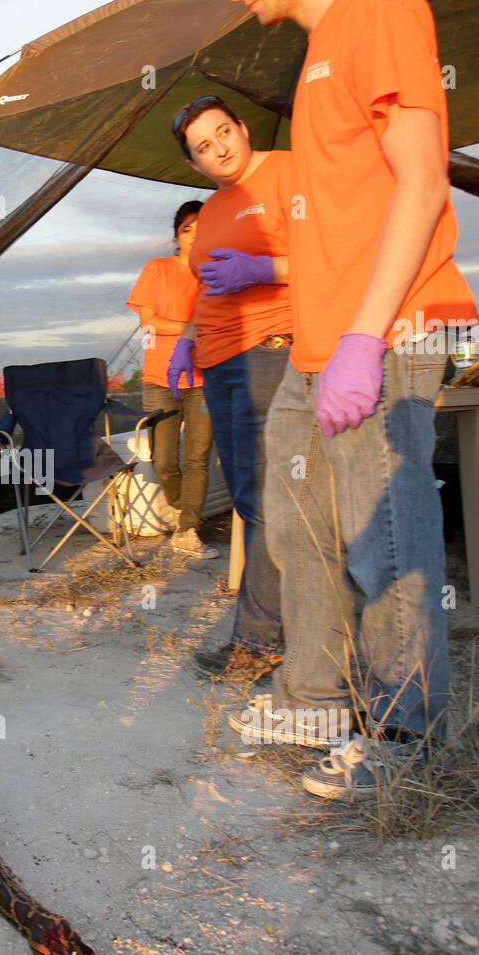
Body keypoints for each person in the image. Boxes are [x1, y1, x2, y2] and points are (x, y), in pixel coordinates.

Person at [184, 0, 479, 799]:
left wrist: (363, 337)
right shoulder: (314, 53)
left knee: (382, 529)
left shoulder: (380, 7)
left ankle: (406, 730)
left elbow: (421, 183)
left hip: (383, 333)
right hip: (315, 348)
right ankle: (313, 697)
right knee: (300, 529)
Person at [168, 95, 292, 686]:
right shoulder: (215, 208)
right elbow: (206, 285)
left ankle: (263, 642)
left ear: (242, 128)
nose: (219, 150)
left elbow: (335, 252)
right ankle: (266, 635)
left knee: (269, 500)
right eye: (203, 148)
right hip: (217, 361)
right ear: (195, 164)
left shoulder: (290, 172)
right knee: (249, 498)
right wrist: (187, 337)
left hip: (270, 350)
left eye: (223, 133)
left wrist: (263, 270)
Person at [126, 202, 218, 558]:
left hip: (205, 377)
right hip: (160, 378)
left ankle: (188, 529)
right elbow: (149, 322)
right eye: (187, 229)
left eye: (202, 228)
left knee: (198, 456)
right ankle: (184, 509)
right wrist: (193, 331)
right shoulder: (158, 269)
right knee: (163, 460)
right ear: (177, 235)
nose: (194, 236)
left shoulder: (215, 273)